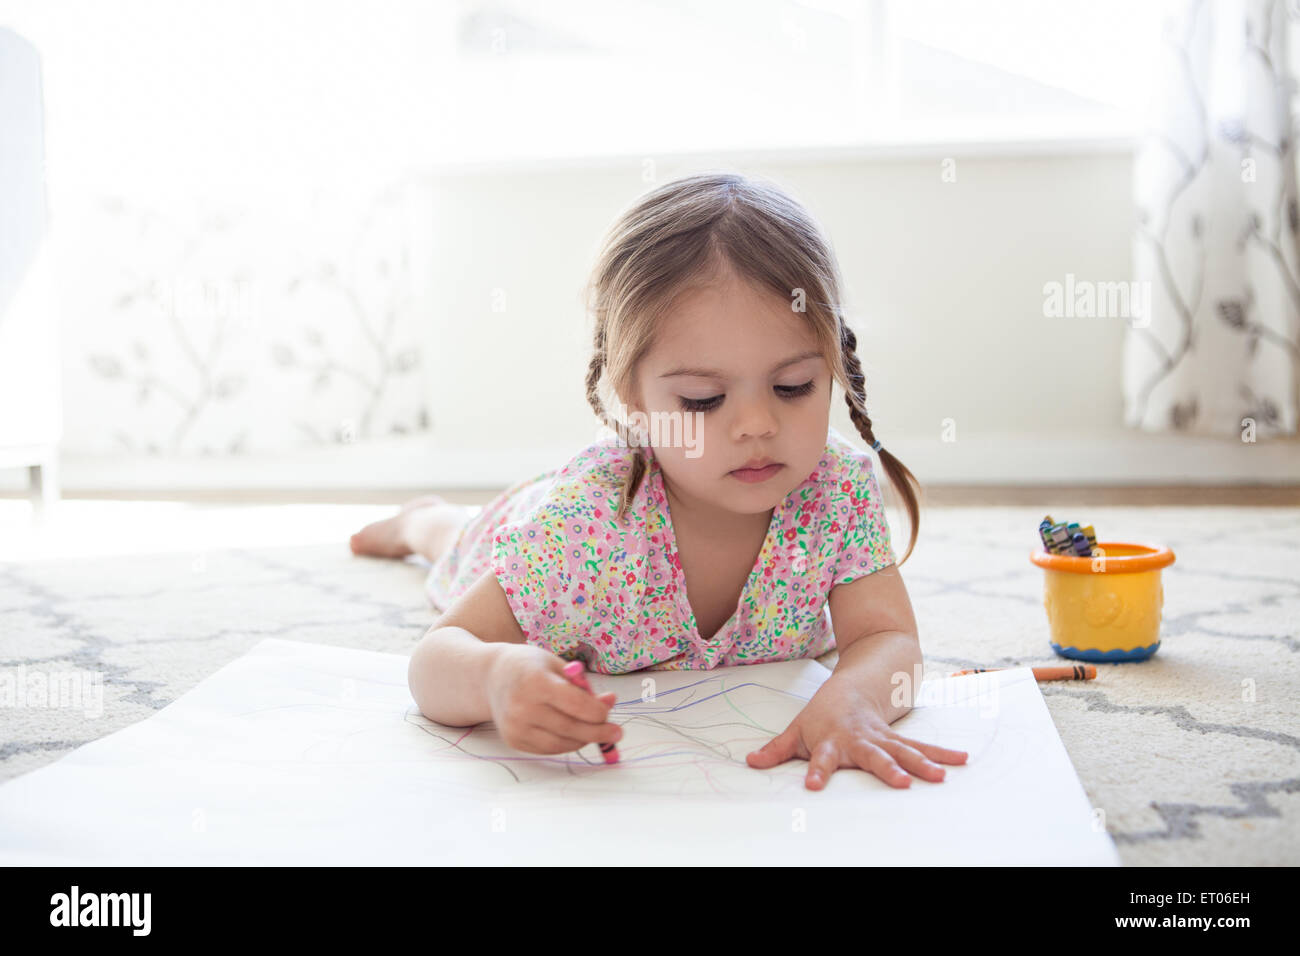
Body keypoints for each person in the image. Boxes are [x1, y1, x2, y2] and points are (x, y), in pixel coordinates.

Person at [350, 172, 967, 790]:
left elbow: (891, 641)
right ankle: (420, 520)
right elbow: (433, 660)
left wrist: (857, 695)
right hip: (521, 531)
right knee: (457, 542)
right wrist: (493, 679)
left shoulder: (835, 490)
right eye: (703, 399)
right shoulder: (580, 525)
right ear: (632, 395)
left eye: (793, 387)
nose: (756, 425)